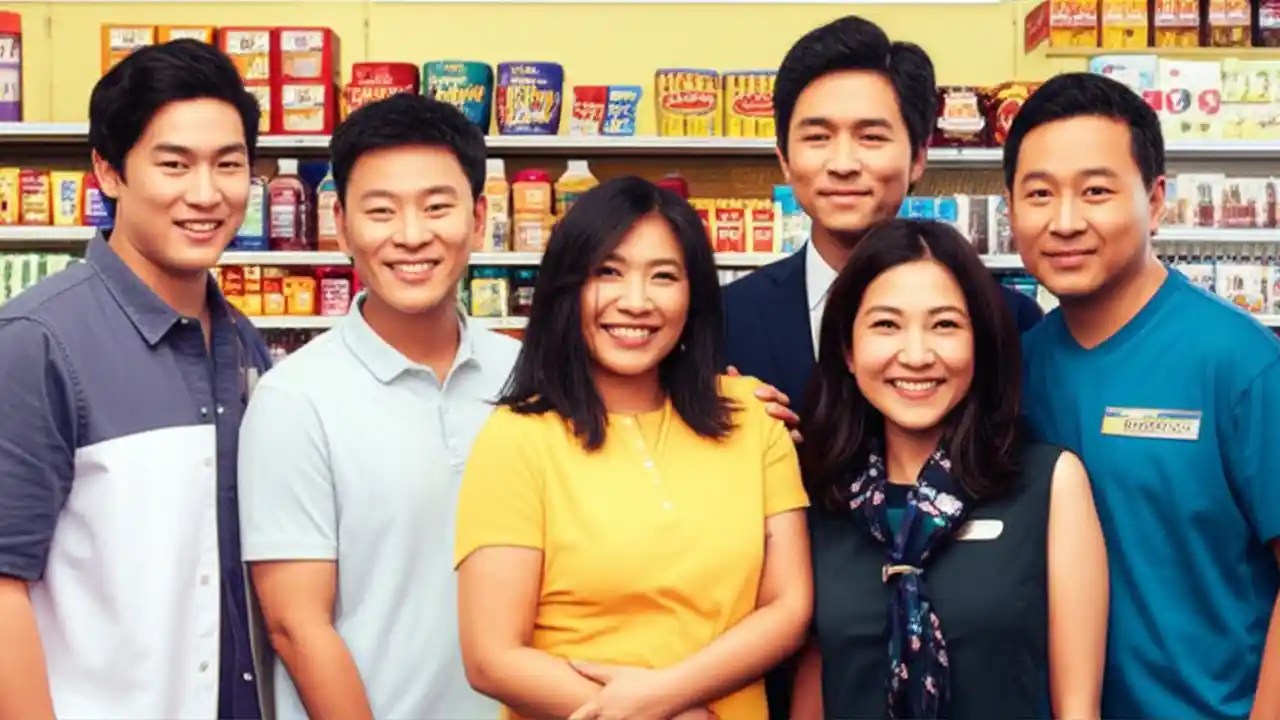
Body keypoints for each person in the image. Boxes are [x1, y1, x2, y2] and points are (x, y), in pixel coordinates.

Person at [454, 176, 813, 720]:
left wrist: (668, 695)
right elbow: (492, 657)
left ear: (694, 296)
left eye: (664, 276)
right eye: (608, 273)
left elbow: (789, 607)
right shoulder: (518, 437)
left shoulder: (752, 416)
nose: (636, 301)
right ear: (566, 289)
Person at [0, 40, 270, 720]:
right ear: (108, 171)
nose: (206, 194)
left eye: (228, 165)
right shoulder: (37, 344)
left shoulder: (244, 344)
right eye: (174, 164)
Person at [1009, 72, 1280, 719]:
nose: (1065, 221)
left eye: (1096, 191)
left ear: (1156, 201)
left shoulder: (1239, 362)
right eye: (1039, 193)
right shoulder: (1014, 370)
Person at [236, 94, 512, 720]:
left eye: (437, 207)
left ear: (478, 216)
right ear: (340, 224)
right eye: (381, 211)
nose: (411, 236)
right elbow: (295, 627)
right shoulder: (295, 401)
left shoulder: (530, 376)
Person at [790, 218, 1108, 720]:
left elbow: (1078, 709)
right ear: (848, 351)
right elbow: (822, 678)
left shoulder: (1049, 484)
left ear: (980, 342)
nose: (916, 356)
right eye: (886, 325)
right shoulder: (823, 492)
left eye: (945, 325)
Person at [722, 15, 1044, 418]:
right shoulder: (725, 318)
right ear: (784, 159)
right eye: (817, 137)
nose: (843, 164)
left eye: (871, 137)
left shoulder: (1006, 320)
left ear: (918, 158)